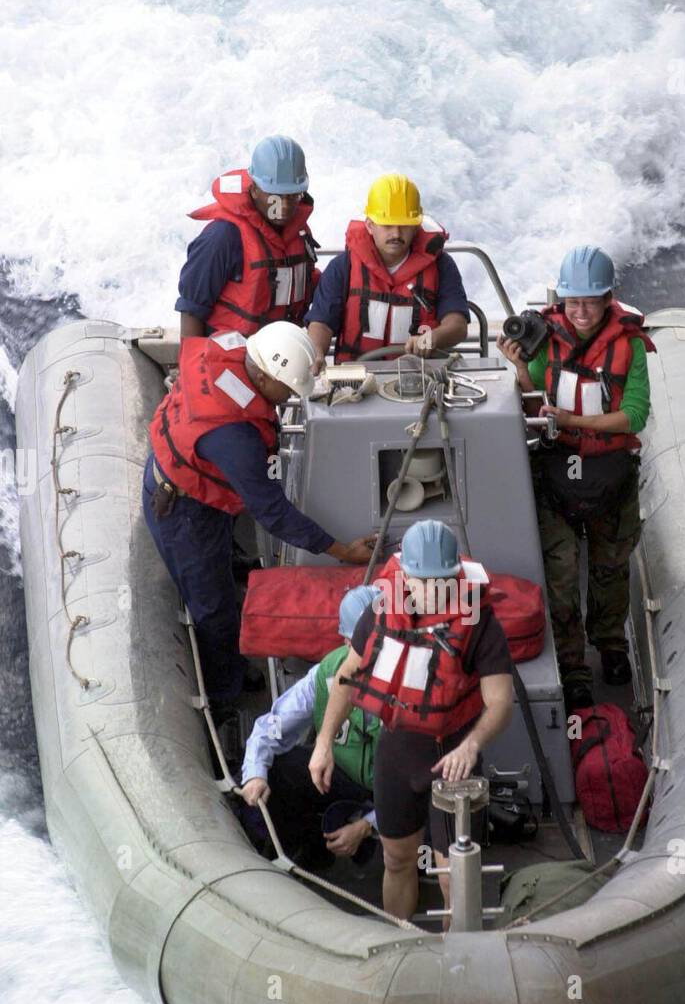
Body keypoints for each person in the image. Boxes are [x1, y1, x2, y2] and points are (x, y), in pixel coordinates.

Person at [143, 322, 374, 708]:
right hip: (186, 512)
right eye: (286, 390)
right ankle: (226, 695)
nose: (287, 399)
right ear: (265, 379)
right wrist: (344, 552)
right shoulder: (234, 438)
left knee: (222, 571)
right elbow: (274, 515)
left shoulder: (231, 348)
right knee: (213, 612)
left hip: (204, 485)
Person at [308, 521, 514, 920]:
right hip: (399, 751)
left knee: (455, 873)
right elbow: (348, 677)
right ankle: (399, 941)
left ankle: (461, 960)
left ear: (457, 574)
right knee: (397, 860)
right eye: (423, 582)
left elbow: (501, 701)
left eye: (443, 581)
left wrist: (471, 745)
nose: (433, 591)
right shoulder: (381, 611)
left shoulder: (479, 623)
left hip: (453, 756)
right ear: (405, 576)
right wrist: (323, 743)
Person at [498, 245, 655, 712]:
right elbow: (534, 402)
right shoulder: (546, 340)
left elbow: (634, 415)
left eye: (589, 302)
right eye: (572, 303)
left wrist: (573, 420)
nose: (580, 312)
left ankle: (611, 646)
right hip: (556, 476)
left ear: (608, 299)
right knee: (561, 576)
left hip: (610, 478)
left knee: (610, 568)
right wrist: (523, 370)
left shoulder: (629, 347)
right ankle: (573, 666)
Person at [240, 586, 382, 868]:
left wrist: (367, 825)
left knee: (429, 820)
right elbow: (272, 728)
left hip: (399, 786)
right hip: (346, 776)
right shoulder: (324, 676)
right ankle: (304, 855)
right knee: (281, 769)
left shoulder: (414, 684)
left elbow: (424, 777)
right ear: (345, 641)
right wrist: (255, 775)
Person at [305, 174, 470, 366]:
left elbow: (457, 325)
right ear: (370, 225)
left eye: (404, 226)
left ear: (417, 227)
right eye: (387, 225)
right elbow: (321, 322)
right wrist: (316, 353)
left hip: (422, 376)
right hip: (355, 379)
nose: (396, 234)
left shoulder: (442, 266)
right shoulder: (343, 267)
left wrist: (432, 338)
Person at [176, 135, 320, 340]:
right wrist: (194, 366)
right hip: (230, 357)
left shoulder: (299, 232)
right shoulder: (222, 237)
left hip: (283, 353)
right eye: (275, 196)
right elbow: (191, 308)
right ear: (253, 190)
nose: (284, 206)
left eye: (292, 195)